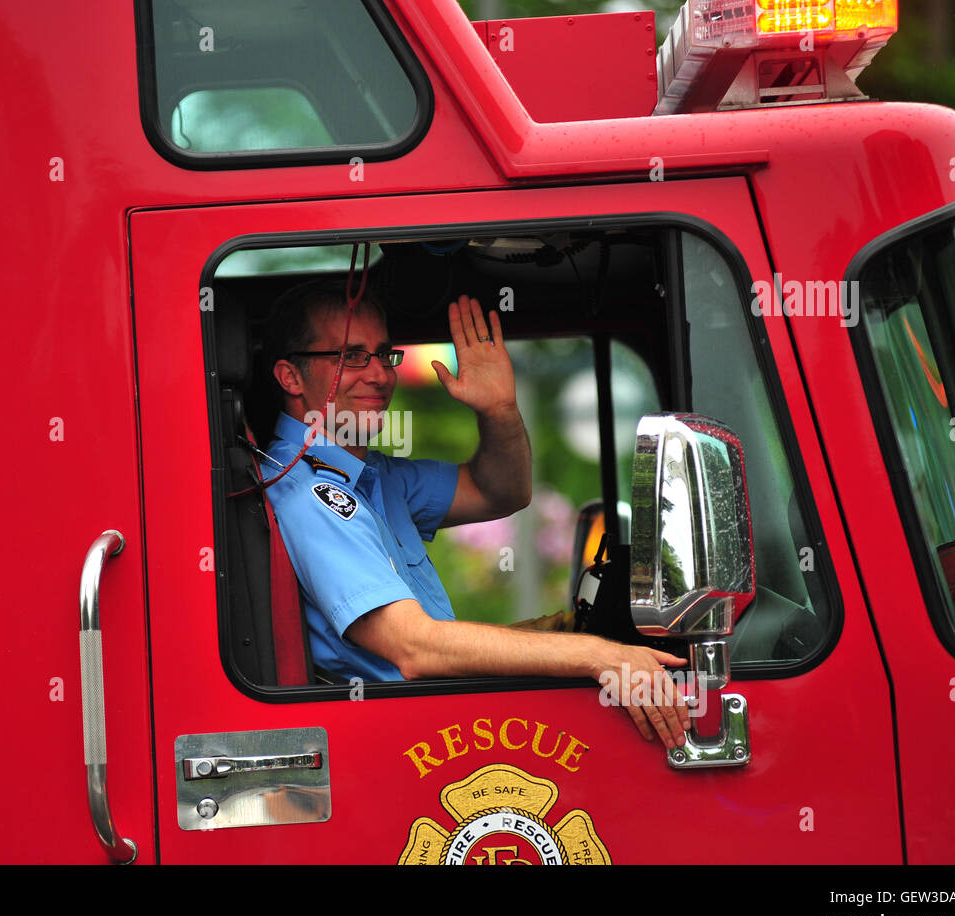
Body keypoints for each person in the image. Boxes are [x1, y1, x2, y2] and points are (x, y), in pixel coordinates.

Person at [259, 279, 690, 749]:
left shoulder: (372, 473)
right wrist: (594, 655)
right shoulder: (311, 492)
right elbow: (414, 648)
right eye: (352, 356)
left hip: (433, 730)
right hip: (399, 746)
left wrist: (500, 410)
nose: (380, 375)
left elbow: (500, 491)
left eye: (384, 355)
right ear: (291, 377)